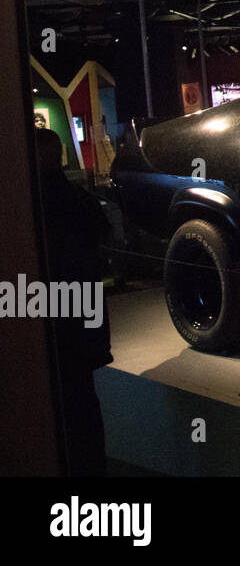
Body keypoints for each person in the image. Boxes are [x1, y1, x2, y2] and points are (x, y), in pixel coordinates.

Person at [35, 127, 112, 476]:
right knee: (82, 395)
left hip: (54, 308)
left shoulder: (35, 199)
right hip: (80, 305)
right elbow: (101, 232)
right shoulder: (74, 196)